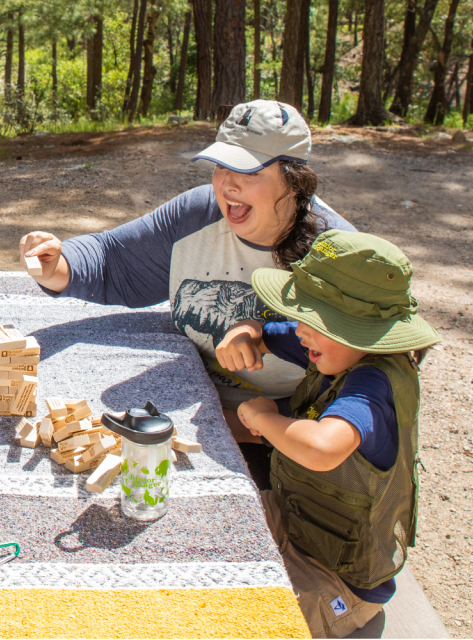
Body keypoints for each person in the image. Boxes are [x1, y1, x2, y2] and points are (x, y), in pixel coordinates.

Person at [18, 100, 354, 444]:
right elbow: (112, 259)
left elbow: (369, 373)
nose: (228, 185)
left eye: (250, 171)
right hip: (182, 411)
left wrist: (253, 427)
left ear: (295, 181)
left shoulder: (340, 253)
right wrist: (55, 266)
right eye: (221, 166)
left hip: (280, 436)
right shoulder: (198, 213)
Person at [213, 230, 440, 637]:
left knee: (235, 622)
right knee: (201, 527)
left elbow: (322, 448)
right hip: (298, 521)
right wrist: (244, 333)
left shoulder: (374, 385)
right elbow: (265, 332)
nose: (300, 331)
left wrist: (261, 416)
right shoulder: (336, 346)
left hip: (338, 579)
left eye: (313, 322)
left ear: (359, 330)